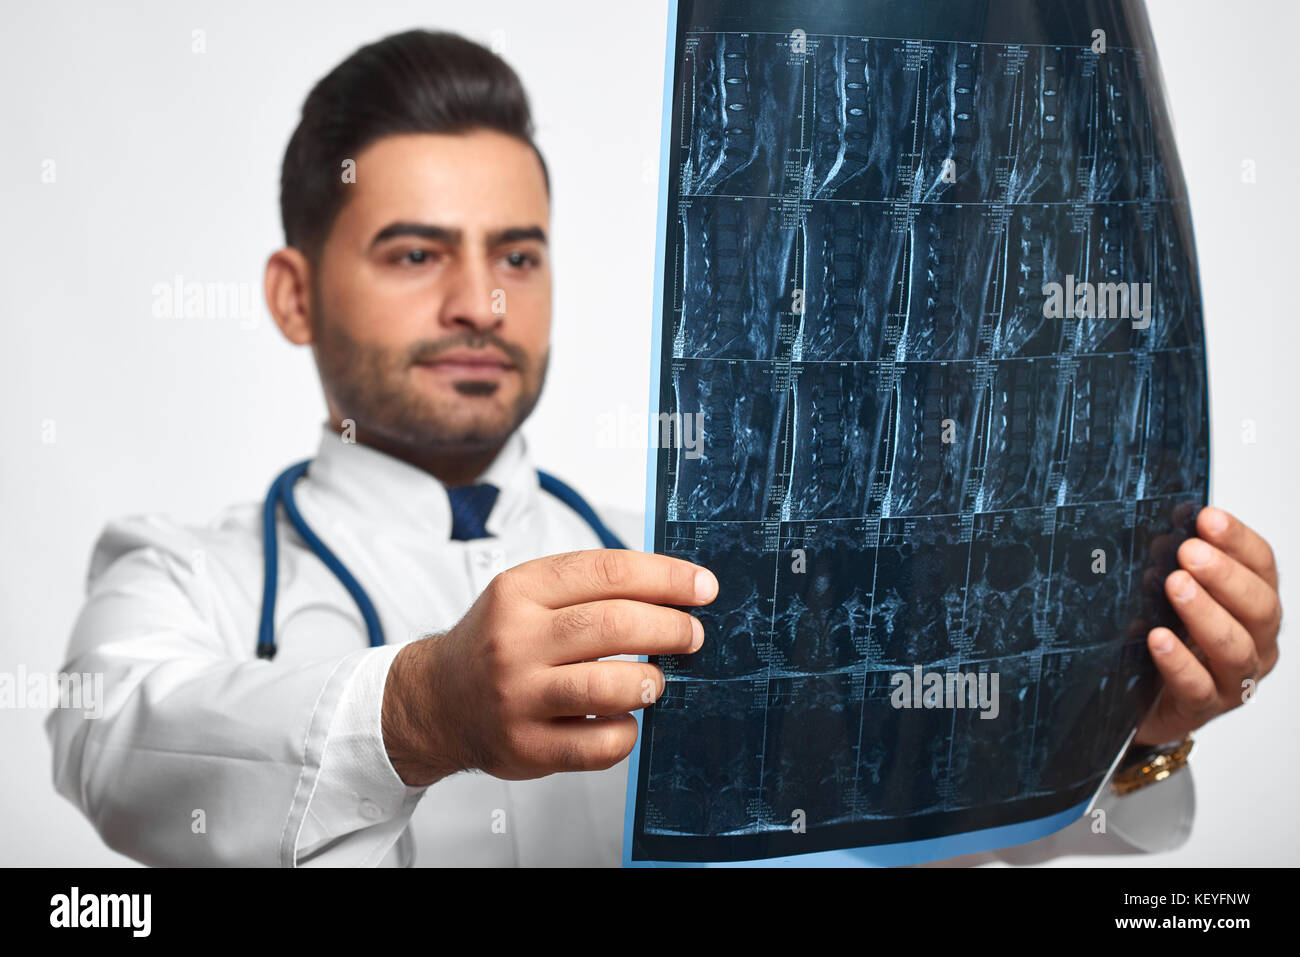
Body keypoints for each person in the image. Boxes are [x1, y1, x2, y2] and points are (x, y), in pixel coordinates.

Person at [46, 29, 1282, 867]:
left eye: (516, 255)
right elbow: (114, 741)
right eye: (416, 253)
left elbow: (897, 840)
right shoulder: (183, 575)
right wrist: (423, 706)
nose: (482, 303)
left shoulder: (689, 589)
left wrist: (1130, 728)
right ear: (292, 294)